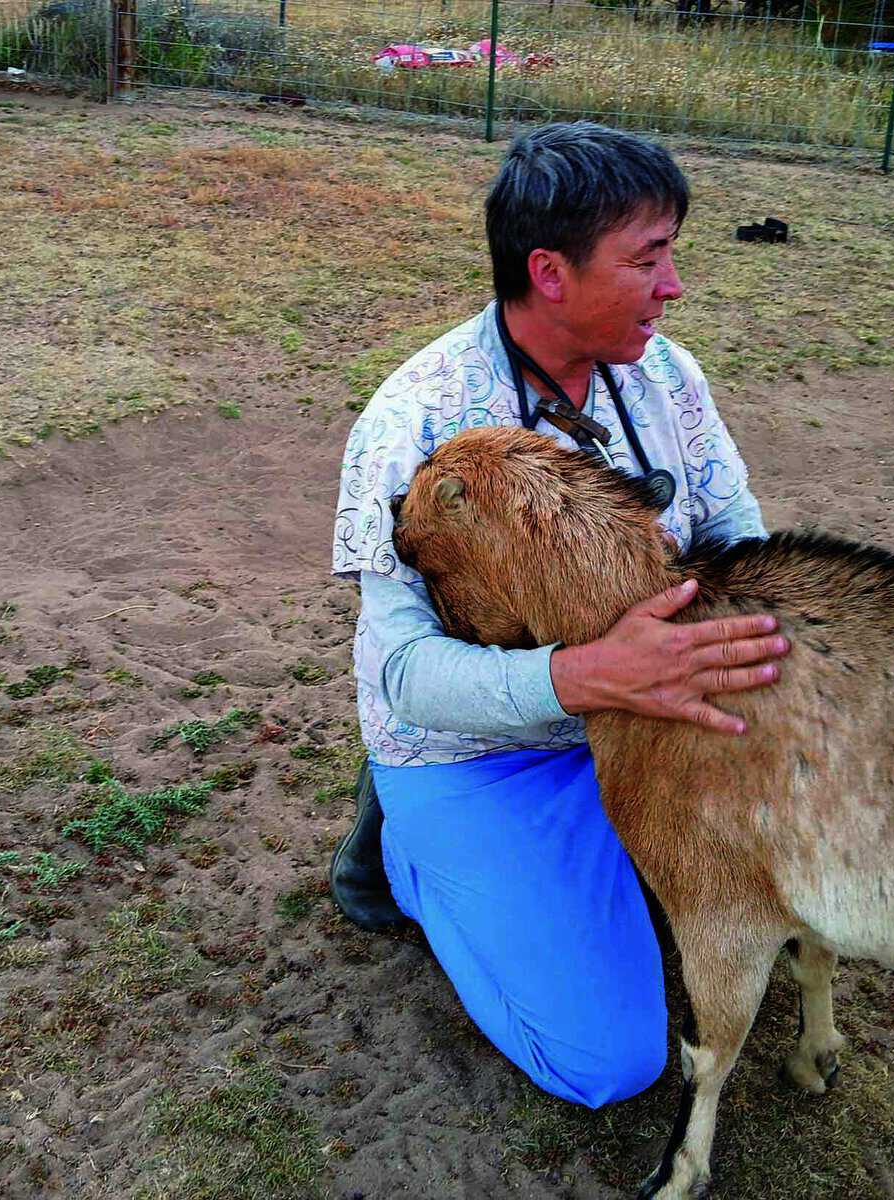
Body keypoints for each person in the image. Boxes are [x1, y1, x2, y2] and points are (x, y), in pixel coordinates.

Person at [328, 122, 791, 1107]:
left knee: (797, 910)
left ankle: (603, 857)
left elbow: (742, 546)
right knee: (610, 1061)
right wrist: (579, 679)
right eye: (649, 259)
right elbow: (405, 676)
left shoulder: (668, 376)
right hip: (477, 752)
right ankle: (409, 855)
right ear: (549, 272)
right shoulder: (414, 416)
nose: (674, 286)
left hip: (641, 718)